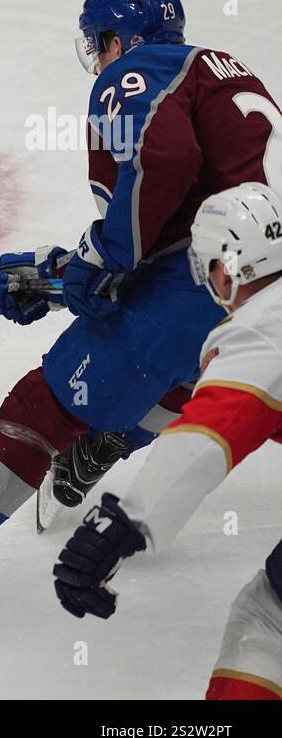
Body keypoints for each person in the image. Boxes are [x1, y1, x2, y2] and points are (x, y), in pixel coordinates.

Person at [0, 0, 281, 625]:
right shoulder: (228, 71)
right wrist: (65, 270)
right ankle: (106, 444)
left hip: (202, 285)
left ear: (121, 36)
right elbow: (187, 216)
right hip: (260, 289)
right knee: (194, 380)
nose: (99, 57)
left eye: (101, 41)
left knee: (43, 407)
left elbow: (162, 171)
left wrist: (94, 263)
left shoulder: (135, 71)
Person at [54, 183, 282, 700]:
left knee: (266, 623)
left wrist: (121, 524)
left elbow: (209, 433)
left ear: (225, 268)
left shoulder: (264, 327)